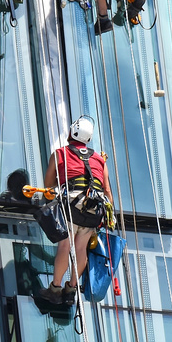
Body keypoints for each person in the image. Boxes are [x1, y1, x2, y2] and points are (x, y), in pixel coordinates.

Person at [40, 116, 114, 304]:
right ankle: (71, 289)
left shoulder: (60, 154)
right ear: (88, 139)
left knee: (65, 246)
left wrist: (63, 182)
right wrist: (109, 216)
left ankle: (55, 288)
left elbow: (48, 185)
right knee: (81, 249)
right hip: (95, 209)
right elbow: (106, 190)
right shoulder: (100, 159)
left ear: (72, 132)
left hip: (72, 205)